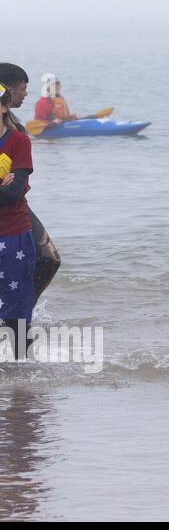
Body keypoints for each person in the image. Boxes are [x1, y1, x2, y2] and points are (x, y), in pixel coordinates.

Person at [0, 64, 60, 305]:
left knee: (49, 260)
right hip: (10, 203)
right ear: (8, 88)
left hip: (16, 200)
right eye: (23, 89)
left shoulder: (14, 127)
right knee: (48, 259)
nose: (26, 94)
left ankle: (18, 308)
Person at [0, 82, 37, 353]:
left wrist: (8, 186)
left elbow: (13, 194)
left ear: (3, 107)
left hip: (12, 235)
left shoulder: (18, 141)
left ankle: (22, 373)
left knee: (17, 306)